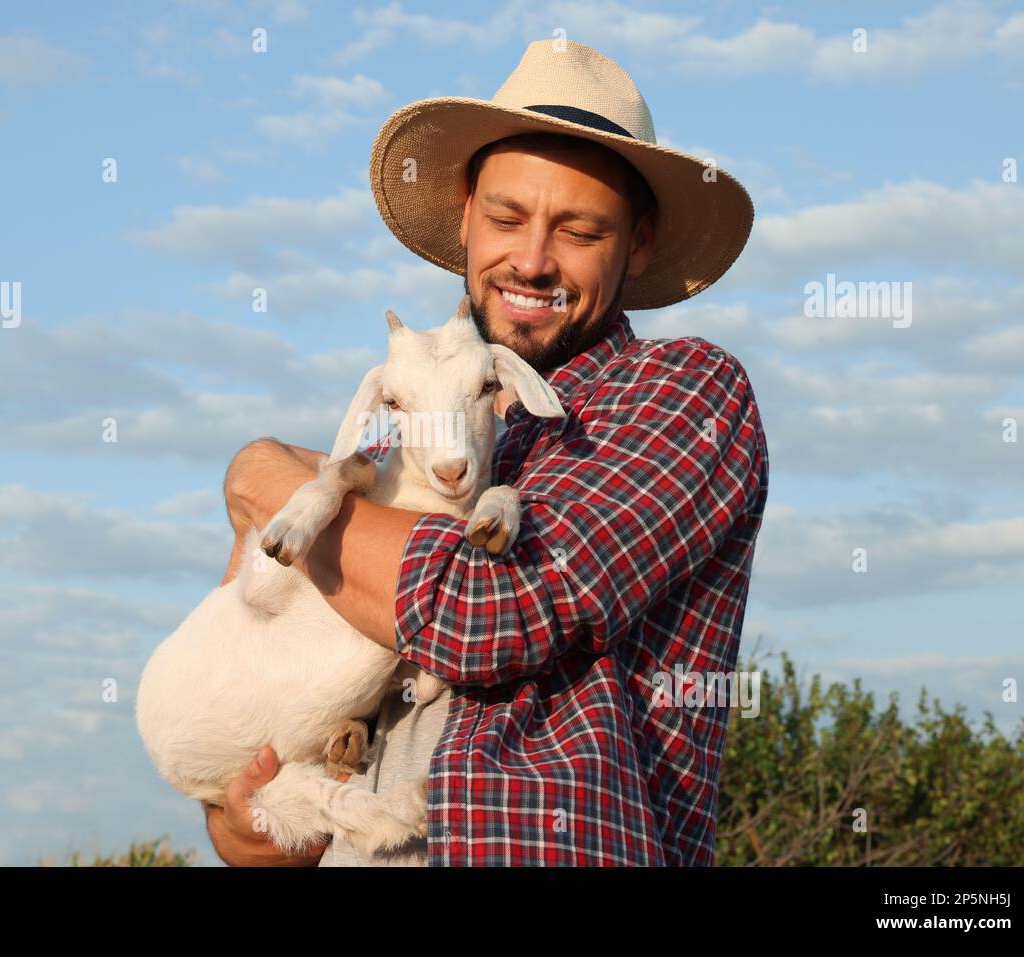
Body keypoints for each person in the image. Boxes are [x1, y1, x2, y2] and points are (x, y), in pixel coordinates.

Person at [204, 38, 769, 866]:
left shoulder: (685, 393)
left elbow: (488, 610)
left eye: (579, 230)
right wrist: (251, 817)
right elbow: (252, 796)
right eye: (506, 217)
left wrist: (267, 475)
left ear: (638, 246)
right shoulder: (390, 436)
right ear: (466, 214)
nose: (532, 260)